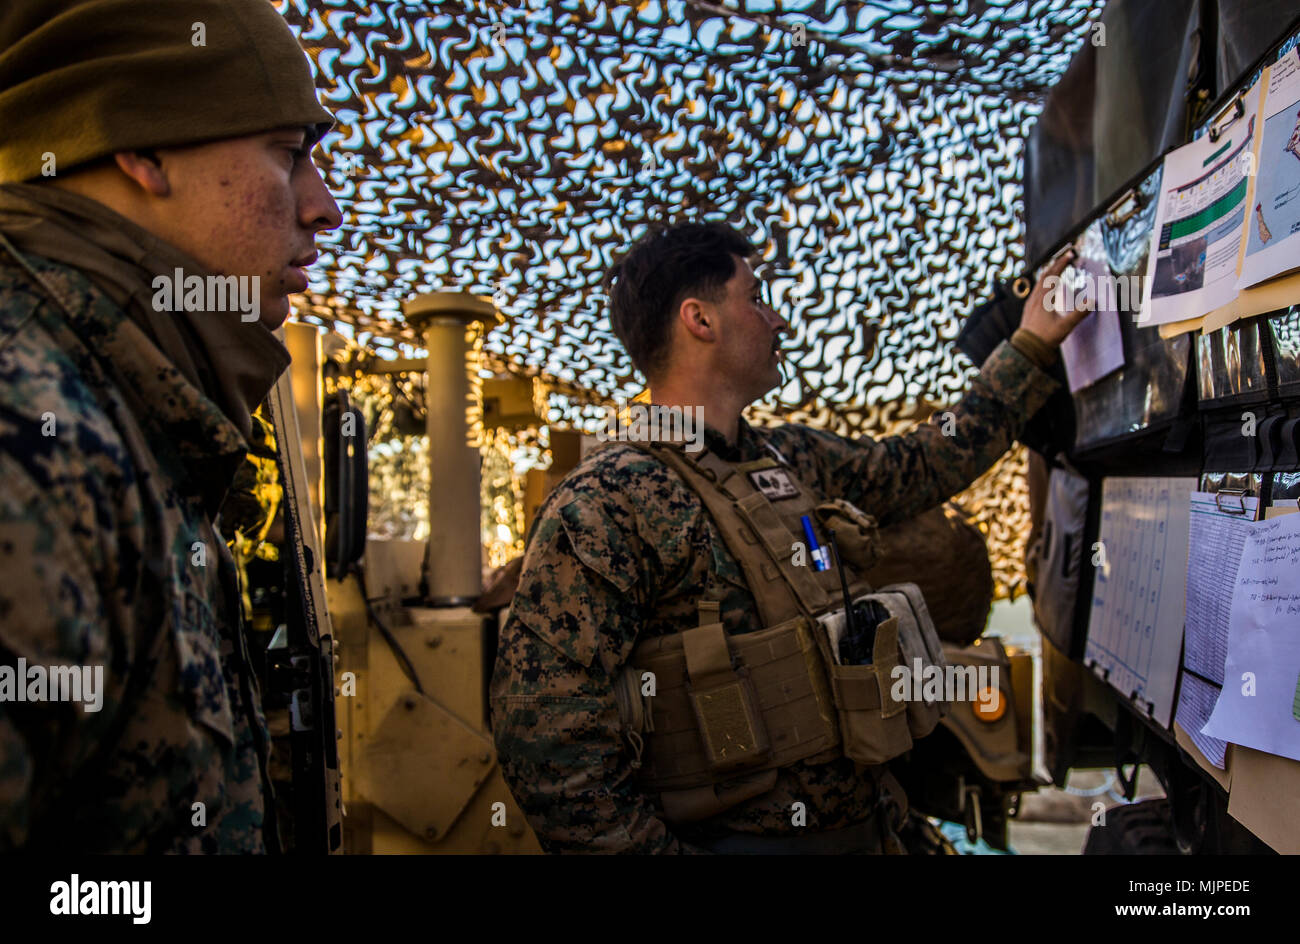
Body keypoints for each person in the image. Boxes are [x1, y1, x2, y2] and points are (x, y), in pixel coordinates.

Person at [491, 221, 1083, 853]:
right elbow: (546, 741)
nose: (779, 321)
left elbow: (924, 463)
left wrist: (1030, 346)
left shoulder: (787, 459)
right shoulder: (607, 502)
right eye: (756, 297)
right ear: (700, 319)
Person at [0, 0, 341, 852]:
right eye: (290, 154)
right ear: (145, 150)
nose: (324, 207)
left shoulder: (115, 401)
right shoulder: (35, 431)